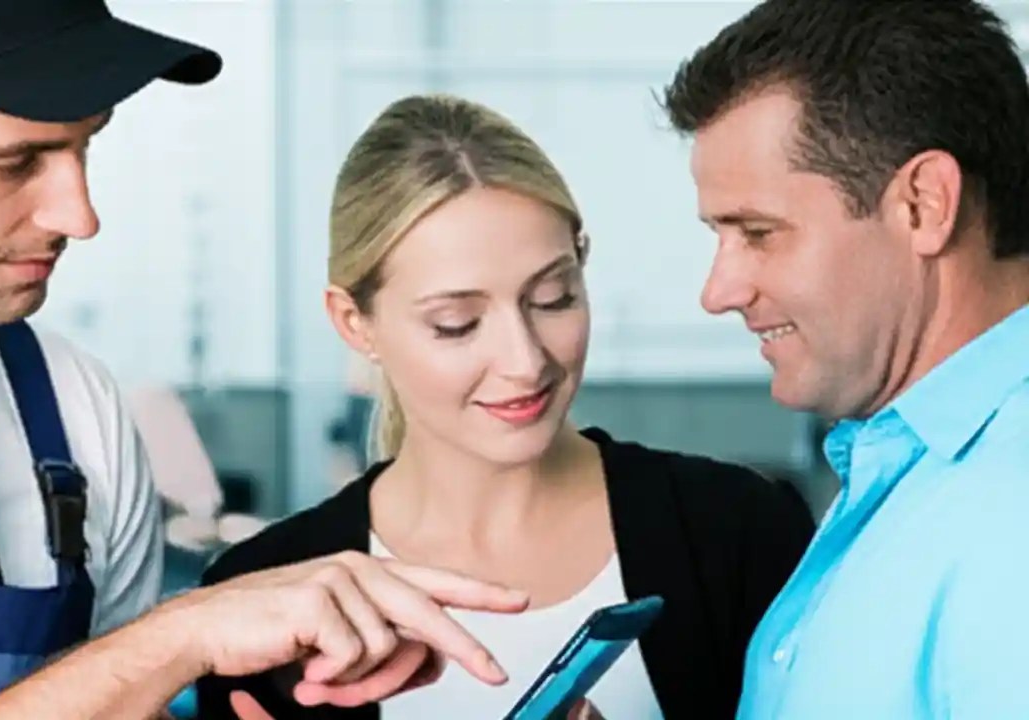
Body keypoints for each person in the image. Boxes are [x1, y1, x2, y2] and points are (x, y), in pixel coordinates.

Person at [0, 2, 535, 718]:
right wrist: (182, 635)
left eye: (85, 147)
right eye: (15, 163)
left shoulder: (72, 401)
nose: (79, 215)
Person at [195, 93, 816, 720]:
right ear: (355, 323)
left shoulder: (740, 530)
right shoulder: (256, 601)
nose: (525, 361)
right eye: (456, 323)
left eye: (553, 298)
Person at [661, 1, 1029, 717]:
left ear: (923, 205)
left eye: (759, 233)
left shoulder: (1011, 511)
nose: (718, 291)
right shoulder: (907, 468)